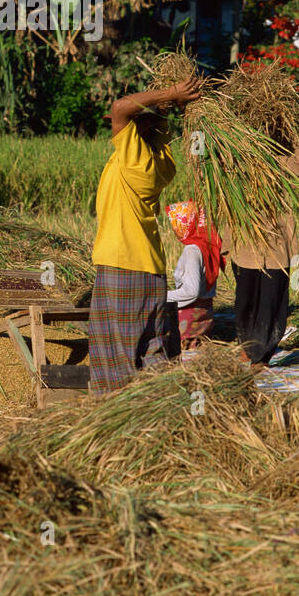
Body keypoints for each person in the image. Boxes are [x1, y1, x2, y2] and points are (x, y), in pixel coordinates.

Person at [88, 77, 202, 394]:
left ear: (136, 132)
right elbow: (135, 116)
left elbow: (120, 107)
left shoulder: (135, 160)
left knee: (116, 356)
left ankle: (115, 420)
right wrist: (166, 106)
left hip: (122, 268)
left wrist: (169, 94)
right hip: (151, 272)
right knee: (153, 352)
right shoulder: (162, 163)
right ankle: (161, 407)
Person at [222, 140, 299, 372]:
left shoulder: (282, 164)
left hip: (276, 246)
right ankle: (248, 345)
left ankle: (262, 355)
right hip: (244, 245)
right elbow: (207, 168)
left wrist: (294, 134)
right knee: (245, 300)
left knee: (272, 301)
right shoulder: (235, 164)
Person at [165, 201, 224, 357]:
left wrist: (163, 296)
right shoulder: (208, 245)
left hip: (189, 322)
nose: (175, 227)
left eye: (178, 222)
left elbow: (192, 291)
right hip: (204, 316)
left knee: (189, 359)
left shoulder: (192, 250)